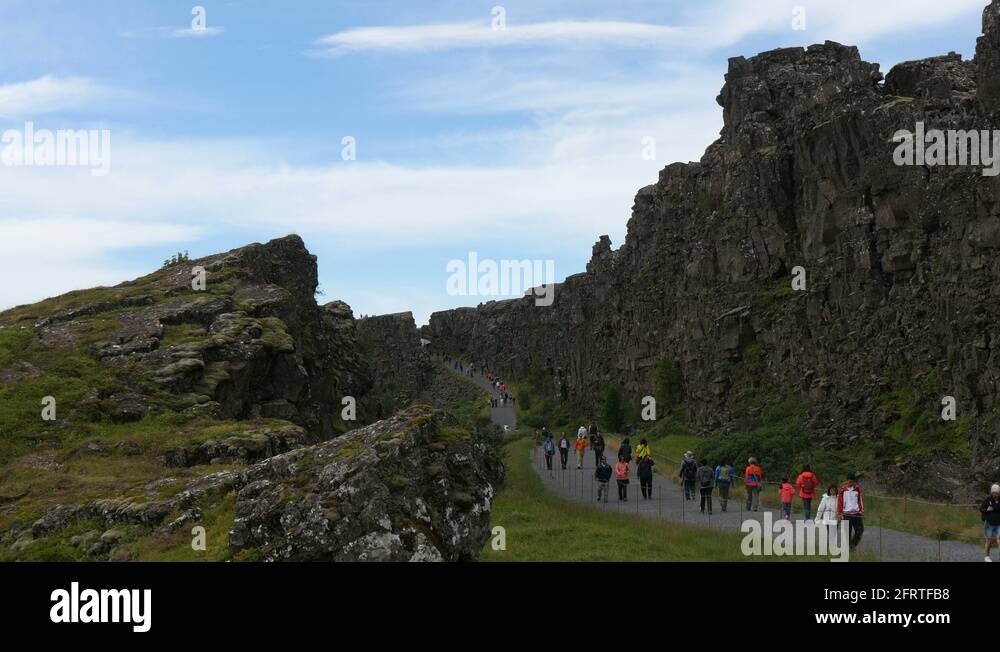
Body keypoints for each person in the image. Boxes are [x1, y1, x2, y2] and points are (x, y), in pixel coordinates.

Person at [837, 473, 865, 549]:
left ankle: (852, 545)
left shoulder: (857, 489)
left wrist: (861, 510)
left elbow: (860, 500)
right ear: (846, 481)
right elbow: (840, 502)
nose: (850, 483)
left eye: (852, 482)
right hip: (846, 514)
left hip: (856, 514)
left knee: (860, 530)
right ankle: (847, 547)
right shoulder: (842, 490)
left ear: (854, 482)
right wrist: (839, 513)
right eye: (849, 482)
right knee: (847, 533)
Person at [981, 483, 1000, 562]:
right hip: (989, 524)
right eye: (994, 493)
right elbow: (981, 509)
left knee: (999, 538)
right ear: (992, 492)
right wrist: (987, 510)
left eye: (997, 493)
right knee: (989, 541)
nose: (995, 494)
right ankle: (987, 556)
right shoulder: (987, 500)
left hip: (999, 524)